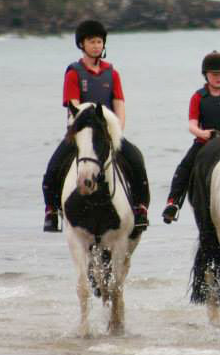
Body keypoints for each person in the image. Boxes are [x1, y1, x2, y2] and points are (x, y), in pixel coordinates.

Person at [41, 20, 150, 236]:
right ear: (82, 44)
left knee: (136, 159)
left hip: (107, 133)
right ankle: (52, 211)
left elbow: (119, 104)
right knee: (53, 169)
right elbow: (73, 106)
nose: (97, 45)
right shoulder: (74, 73)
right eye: (92, 42)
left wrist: (116, 131)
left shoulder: (112, 73)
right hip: (81, 132)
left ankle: (140, 209)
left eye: (99, 41)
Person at [161, 51, 220, 223]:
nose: (219, 77)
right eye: (215, 74)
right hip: (205, 142)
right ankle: (173, 203)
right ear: (206, 75)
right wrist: (203, 133)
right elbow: (192, 124)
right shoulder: (199, 97)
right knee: (184, 168)